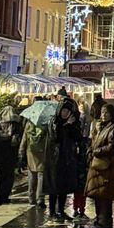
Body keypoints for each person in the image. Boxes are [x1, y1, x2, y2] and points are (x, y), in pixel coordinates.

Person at [43, 89, 81, 221]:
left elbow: (77, 138)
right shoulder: (54, 122)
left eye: (68, 111)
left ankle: (61, 210)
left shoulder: (73, 123)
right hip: (54, 159)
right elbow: (56, 137)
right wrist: (66, 125)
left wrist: (72, 125)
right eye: (64, 110)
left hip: (67, 158)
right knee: (54, 187)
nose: (65, 113)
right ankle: (52, 212)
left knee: (64, 187)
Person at [86, 104, 114, 228]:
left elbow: (113, 146)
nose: (103, 115)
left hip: (108, 165)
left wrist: (97, 151)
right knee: (98, 193)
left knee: (105, 194)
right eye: (102, 112)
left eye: (106, 112)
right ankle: (99, 218)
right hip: (97, 164)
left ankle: (105, 220)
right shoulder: (101, 126)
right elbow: (94, 142)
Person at [0, 105, 23, 205]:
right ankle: (4, 196)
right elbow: (18, 139)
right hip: (11, 153)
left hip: (0, 153)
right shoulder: (16, 124)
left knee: (0, 175)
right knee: (9, 176)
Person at [18, 110, 48, 208]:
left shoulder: (29, 124)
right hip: (42, 152)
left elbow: (24, 139)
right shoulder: (45, 124)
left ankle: (31, 198)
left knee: (31, 175)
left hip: (30, 152)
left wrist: (21, 151)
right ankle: (40, 198)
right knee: (41, 175)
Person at [73, 104, 92, 221]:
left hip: (80, 167)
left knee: (80, 192)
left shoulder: (81, 141)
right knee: (80, 191)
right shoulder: (80, 141)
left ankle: (79, 210)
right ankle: (78, 210)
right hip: (80, 167)